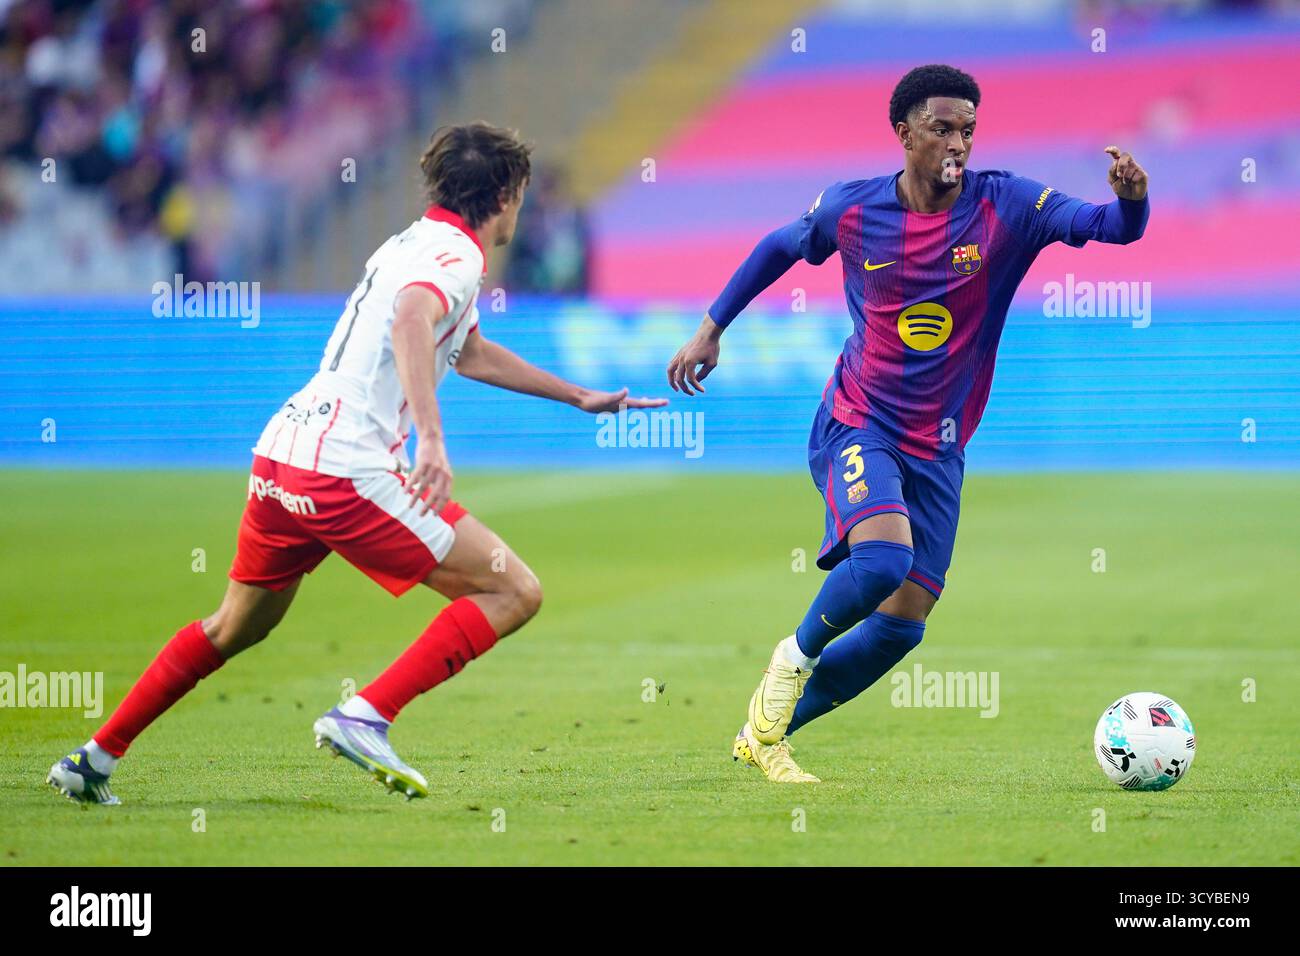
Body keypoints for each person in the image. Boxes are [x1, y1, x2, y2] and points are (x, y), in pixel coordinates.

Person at [666, 64, 1149, 783]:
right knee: (883, 561)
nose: (958, 142)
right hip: (857, 422)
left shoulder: (1008, 207)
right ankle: (791, 659)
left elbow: (1108, 228)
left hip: (941, 449)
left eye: (968, 130)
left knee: (901, 625)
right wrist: (712, 328)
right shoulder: (854, 211)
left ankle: (764, 732)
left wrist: (1133, 200)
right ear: (903, 133)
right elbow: (777, 245)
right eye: (942, 128)